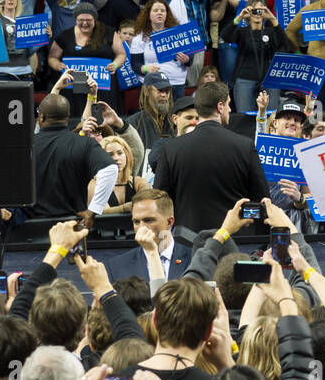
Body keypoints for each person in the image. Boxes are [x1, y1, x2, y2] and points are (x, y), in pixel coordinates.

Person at [149, 81, 270, 233]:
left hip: (187, 241)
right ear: (220, 107)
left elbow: (161, 201)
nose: (230, 110)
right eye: (228, 104)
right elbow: (262, 200)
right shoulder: (244, 146)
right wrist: (244, 217)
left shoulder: (171, 149)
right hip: (235, 240)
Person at [28, 87, 119, 226]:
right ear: (68, 117)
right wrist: (93, 210)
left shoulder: (25, 145)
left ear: (42, 116)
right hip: (72, 228)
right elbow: (110, 170)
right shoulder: (84, 143)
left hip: (28, 228)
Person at [105, 188, 192, 284]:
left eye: (148, 220)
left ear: (169, 222)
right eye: (136, 222)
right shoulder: (117, 266)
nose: (142, 227)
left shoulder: (194, 260)